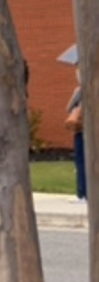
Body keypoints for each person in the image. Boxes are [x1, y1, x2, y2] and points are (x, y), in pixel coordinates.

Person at [67, 74, 84, 203]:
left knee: (81, 161)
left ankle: (82, 192)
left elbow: (69, 108)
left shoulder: (80, 91)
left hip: (81, 130)